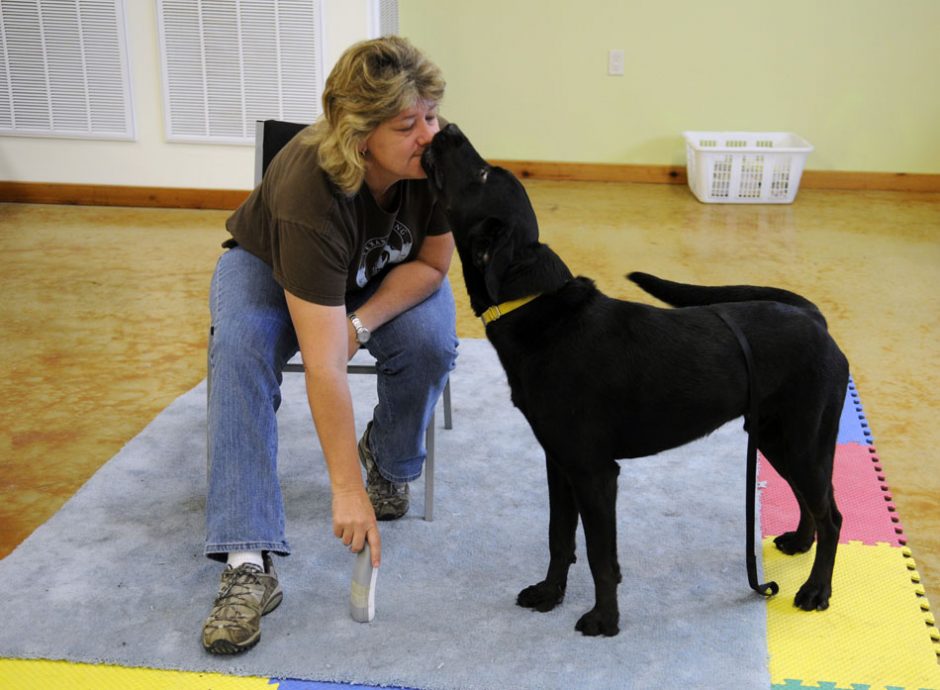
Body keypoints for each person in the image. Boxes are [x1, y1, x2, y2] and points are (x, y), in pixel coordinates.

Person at [201, 36, 457, 655]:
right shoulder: (307, 193)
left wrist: (360, 323)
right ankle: (246, 561)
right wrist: (343, 491)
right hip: (273, 264)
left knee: (430, 342)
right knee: (239, 346)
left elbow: (431, 264)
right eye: (408, 124)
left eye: (431, 114)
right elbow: (324, 365)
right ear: (360, 135)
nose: (429, 133)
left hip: (379, 275)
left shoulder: (438, 157)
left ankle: (389, 462)